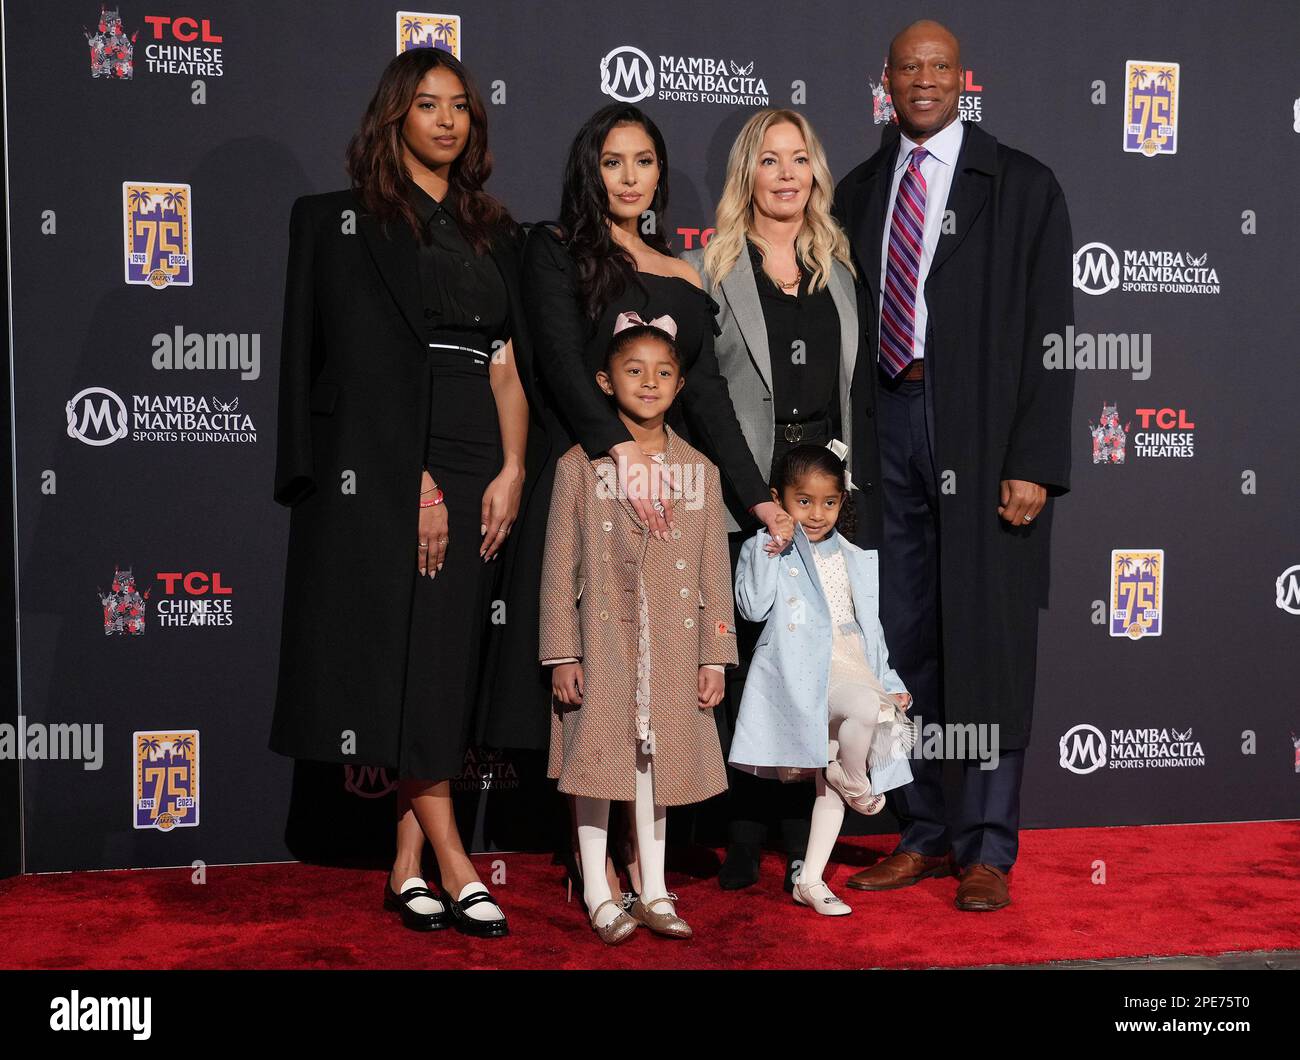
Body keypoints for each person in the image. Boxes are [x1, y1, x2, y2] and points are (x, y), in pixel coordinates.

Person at [271, 48, 549, 938]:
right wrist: (409, 481)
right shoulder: (340, 223)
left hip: (483, 458)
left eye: (459, 106)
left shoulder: (494, 230)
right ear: (393, 117)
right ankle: (458, 862)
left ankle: (403, 865)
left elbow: (507, 366)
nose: (445, 120)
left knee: (446, 666)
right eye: (426, 105)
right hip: (393, 465)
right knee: (418, 663)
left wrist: (512, 470)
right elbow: (347, 372)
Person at [501, 103, 792, 903]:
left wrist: (758, 500)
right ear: (589, 172)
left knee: (654, 687)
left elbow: (710, 402)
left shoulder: (685, 271)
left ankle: (643, 867)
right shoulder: (554, 249)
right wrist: (621, 454)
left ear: (661, 173)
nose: (630, 178)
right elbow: (558, 362)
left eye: (644, 162)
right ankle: (590, 870)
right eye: (613, 162)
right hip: (591, 488)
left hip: (672, 500)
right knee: (595, 691)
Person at [833, 19, 1075, 911]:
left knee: (989, 640)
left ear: (962, 79)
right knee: (903, 637)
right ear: (885, 81)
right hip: (887, 428)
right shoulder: (859, 192)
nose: (923, 81)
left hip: (983, 439)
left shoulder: (1022, 186)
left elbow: (1054, 338)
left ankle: (986, 847)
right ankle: (924, 831)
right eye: (908, 68)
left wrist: (1035, 462)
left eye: (939, 67)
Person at [682, 108, 872, 892]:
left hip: (824, 499)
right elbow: (706, 394)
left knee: (817, 670)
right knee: (751, 667)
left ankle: (800, 832)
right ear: (747, 176)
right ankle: (743, 828)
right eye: (770, 160)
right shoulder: (714, 268)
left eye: (800, 159)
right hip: (748, 497)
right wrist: (758, 498)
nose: (787, 174)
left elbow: (851, 390)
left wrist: (832, 496)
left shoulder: (839, 266)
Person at [539, 312, 737, 944]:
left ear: (680, 387)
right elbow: (558, 566)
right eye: (633, 371)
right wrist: (561, 653)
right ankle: (599, 891)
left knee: (659, 766)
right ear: (604, 381)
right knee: (597, 764)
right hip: (604, 645)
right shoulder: (579, 465)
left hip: (675, 650)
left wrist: (715, 657)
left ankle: (653, 888)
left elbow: (713, 572)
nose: (648, 383)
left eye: (663, 373)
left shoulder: (701, 472)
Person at [731, 443, 913, 915]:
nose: (816, 514)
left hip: (852, 659)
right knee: (863, 712)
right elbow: (752, 607)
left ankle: (810, 879)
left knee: (839, 767)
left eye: (829, 502)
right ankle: (853, 776)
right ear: (780, 498)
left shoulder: (852, 555)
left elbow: (870, 628)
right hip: (802, 669)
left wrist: (888, 676)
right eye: (803, 501)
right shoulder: (769, 545)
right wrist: (771, 543)